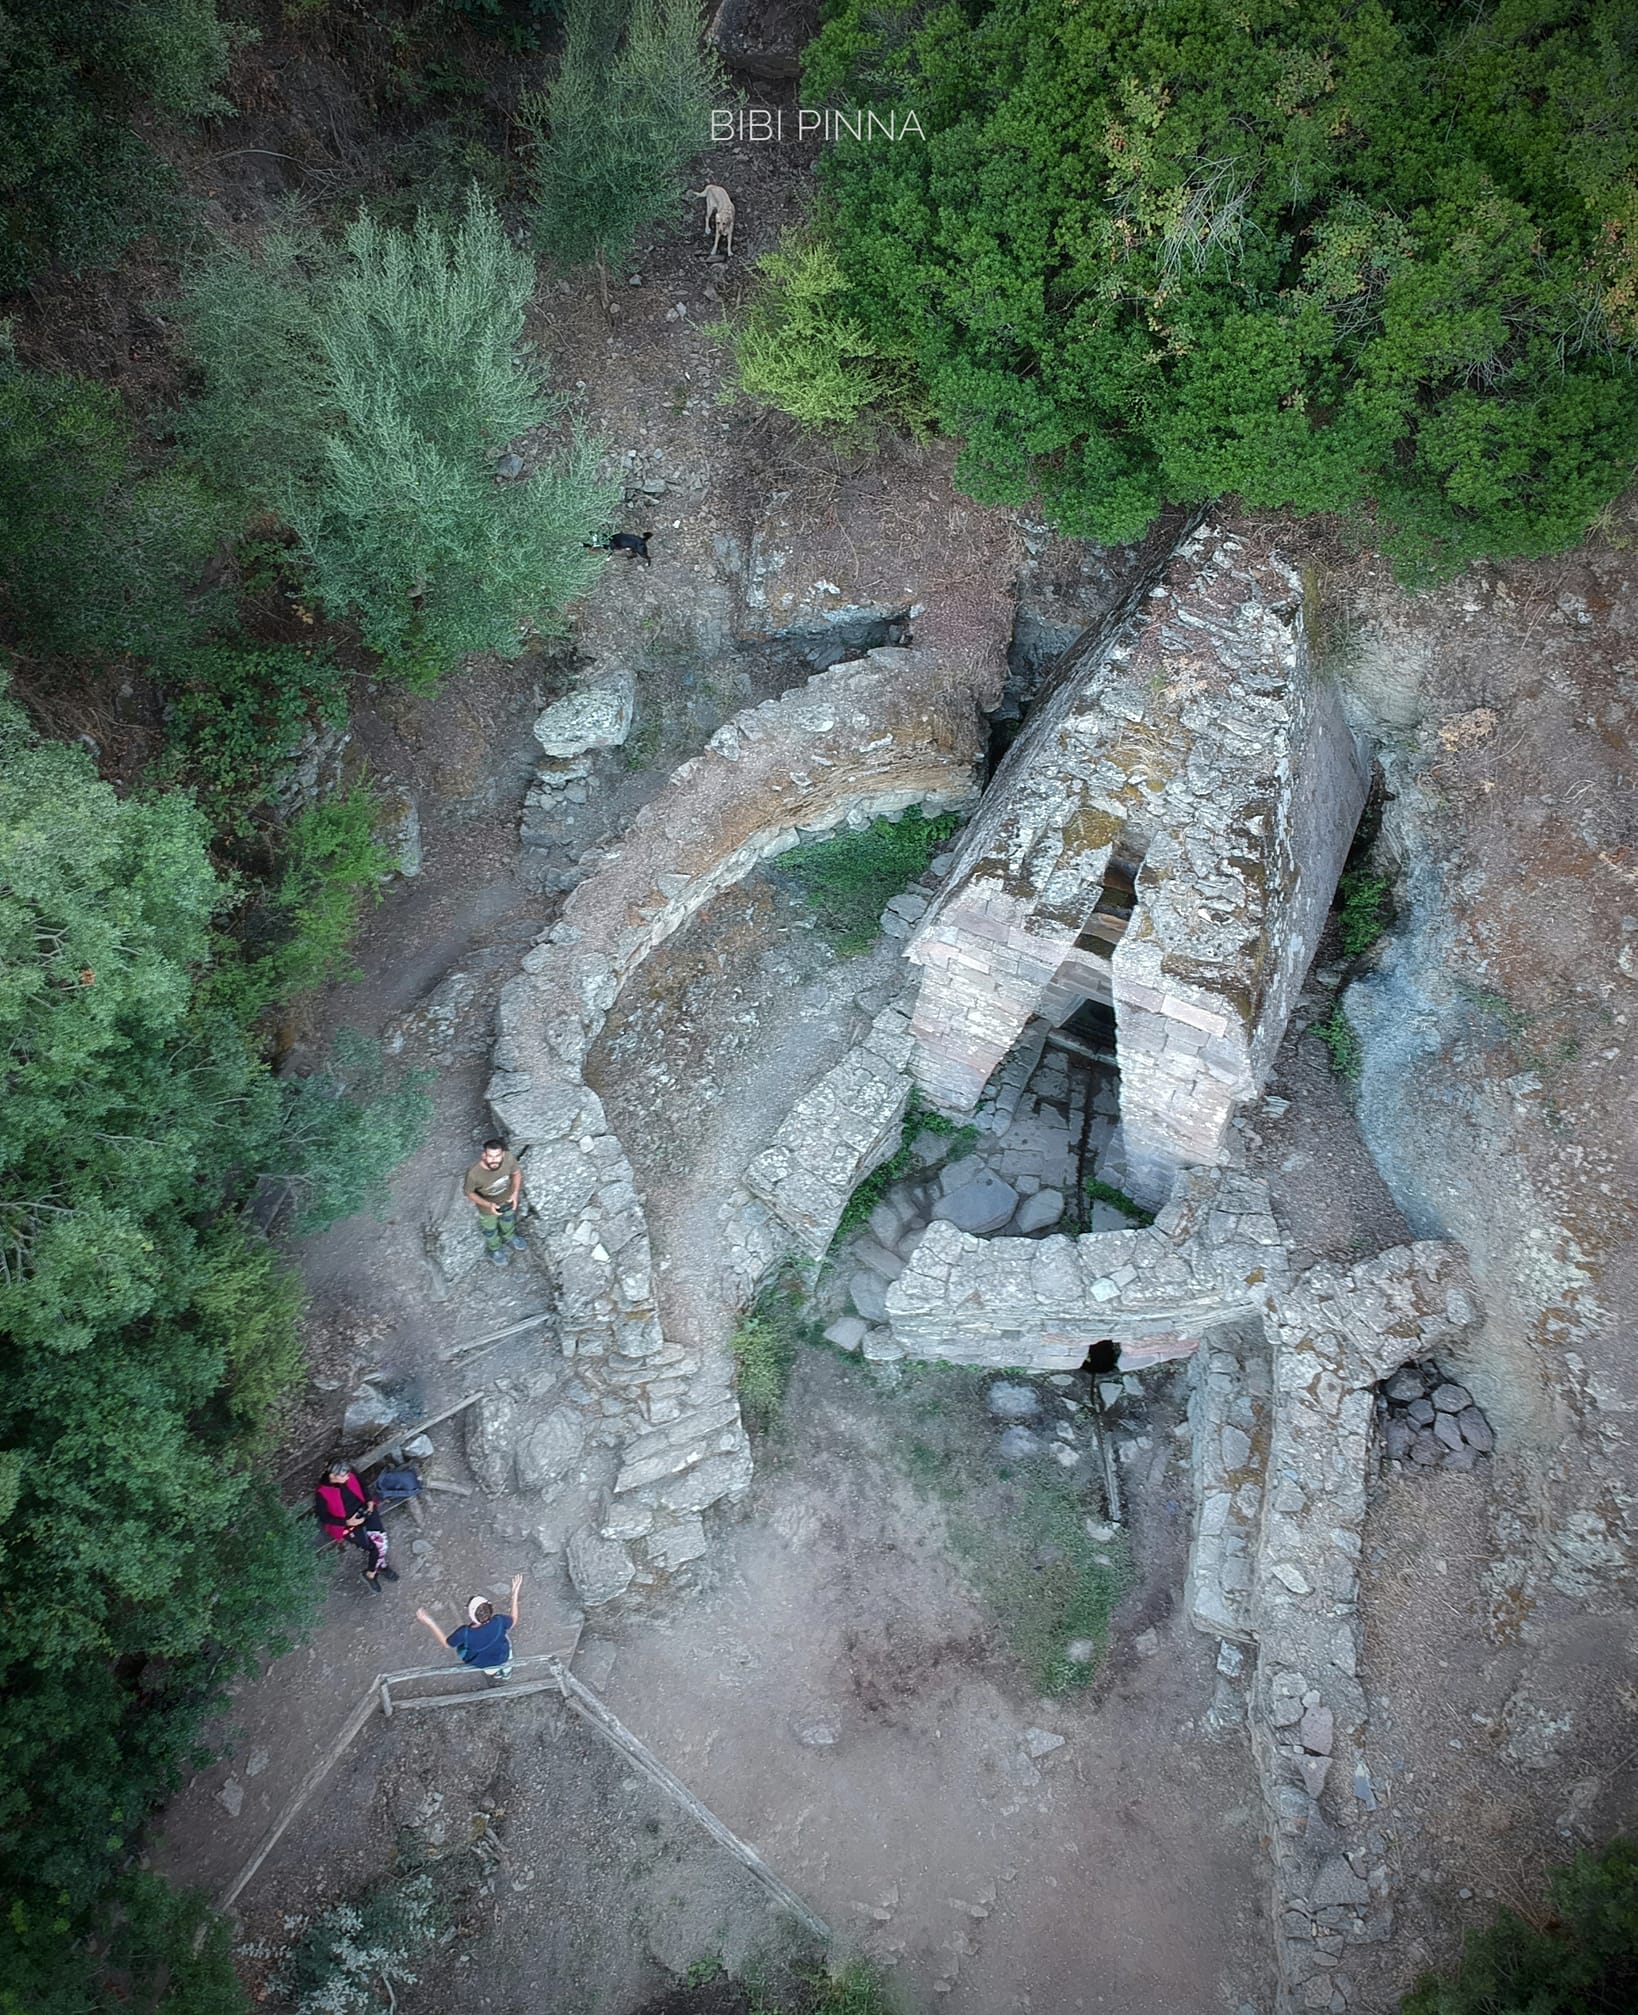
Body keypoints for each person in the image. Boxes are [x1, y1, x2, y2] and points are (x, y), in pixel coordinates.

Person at [416, 1576, 523, 1682]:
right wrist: (514, 1594)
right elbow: (513, 1619)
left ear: (472, 1616)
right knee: (506, 1642)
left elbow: (446, 1643)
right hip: (502, 1656)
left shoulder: (465, 1633)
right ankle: (506, 1673)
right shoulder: (499, 1621)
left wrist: (430, 1621)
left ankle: (495, 1673)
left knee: (463, 1650)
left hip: (483, 1663)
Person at [315, 1463, 398, 1591]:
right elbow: (324, 1517)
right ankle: (371, 1572)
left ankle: (376, 1568)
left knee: (381, 1541)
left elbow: (362, 1485)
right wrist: (347, 1522)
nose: (348, 1477)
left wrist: (369, 1501)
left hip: (364, 1511)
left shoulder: (350, 1472)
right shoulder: (322, 1492)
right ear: (333, 1476)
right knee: (376, 1547)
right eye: (344, 1476)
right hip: (347, 1524)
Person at [464, 1136, 525, 1269]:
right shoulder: (474, 1173)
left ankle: (510, 1236)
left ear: (502, 1154)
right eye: (490, 1156)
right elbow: (469, 1193)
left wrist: (514, 1193)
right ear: (484, 1155)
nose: (493, 1160)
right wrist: (488, 1205)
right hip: (487, 1207)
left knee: (508, 1219)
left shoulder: (508, 1158)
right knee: (490, 1230)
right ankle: (495, 1249)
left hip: (506, 1199)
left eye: (497, 1156)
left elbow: (516, 1173)